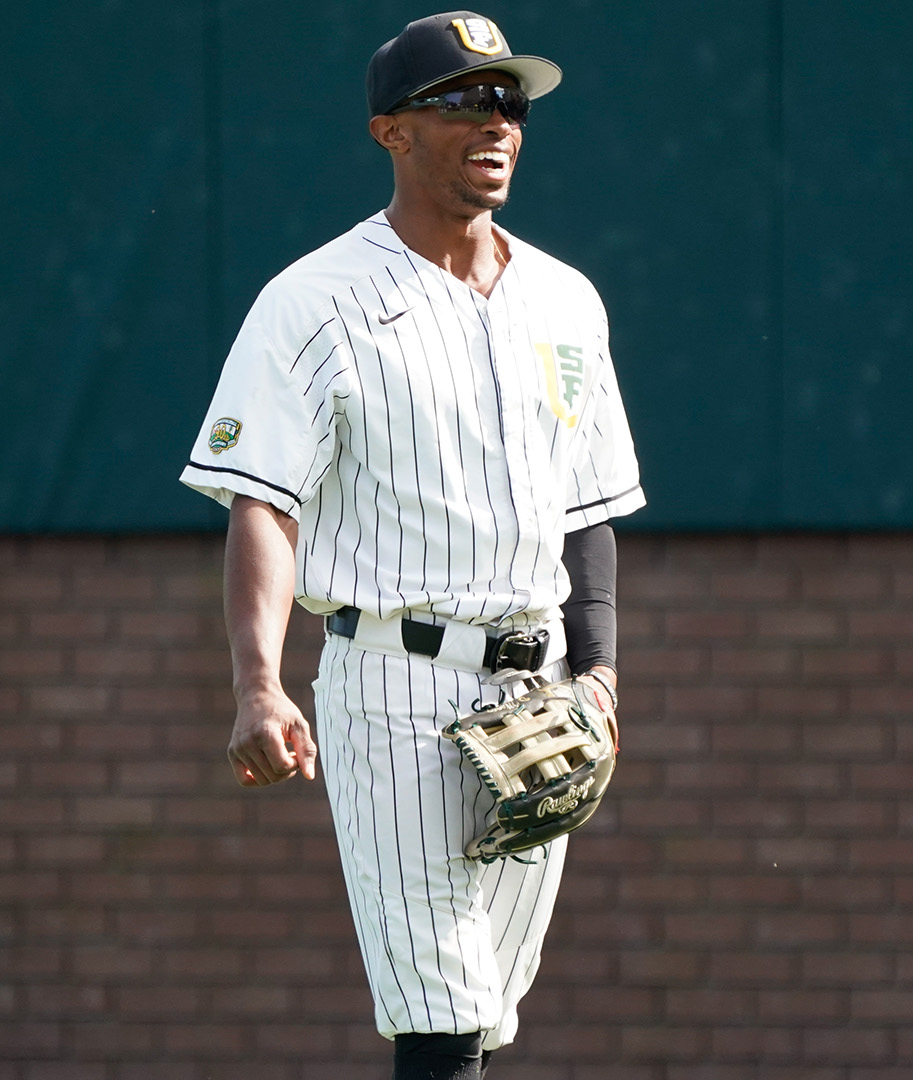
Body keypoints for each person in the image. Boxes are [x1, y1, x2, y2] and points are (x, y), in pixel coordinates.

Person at [179, 11, 644, 1078]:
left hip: (544, 689)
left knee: (487, 1009)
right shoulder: (315, 300)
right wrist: (260, 682)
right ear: (391, 132)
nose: (497, 122)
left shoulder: (567, 300)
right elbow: (265, 504)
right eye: (463, 102)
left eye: (509, 101)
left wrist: (605, 668)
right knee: (435, 1003)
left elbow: (587, 510)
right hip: (394, 684)